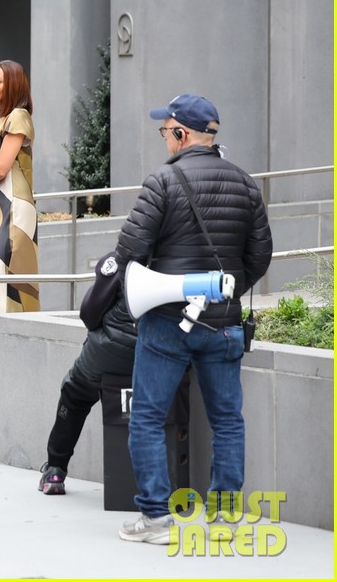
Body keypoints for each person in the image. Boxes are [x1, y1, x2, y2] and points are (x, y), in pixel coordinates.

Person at [115, 94, 271, 544]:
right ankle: (223, 519)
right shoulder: (245, 183)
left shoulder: (161, 181)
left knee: (147, 417)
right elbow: (259, 256)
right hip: (223, 324)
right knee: (227, 419)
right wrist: (223, 296)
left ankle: (156, 521)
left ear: (182, 134)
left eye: (166, 131)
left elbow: (129, 252)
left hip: (166, 321)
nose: (164, 138)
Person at [38, 251, 136, 495]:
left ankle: (55, 470)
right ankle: (137, 483)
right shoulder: (181, 260)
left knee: (75, 393)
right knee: (132, 408)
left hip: (108, 353)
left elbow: (89, 313)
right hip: (156, 357)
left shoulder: (119, 260)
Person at [0, 59, 39, 313]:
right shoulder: (2, 118)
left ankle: (17, 337)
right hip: (0, 204)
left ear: (12, 85)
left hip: (15, 206)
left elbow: (1, 168)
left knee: (9, 271)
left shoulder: (18, 116)